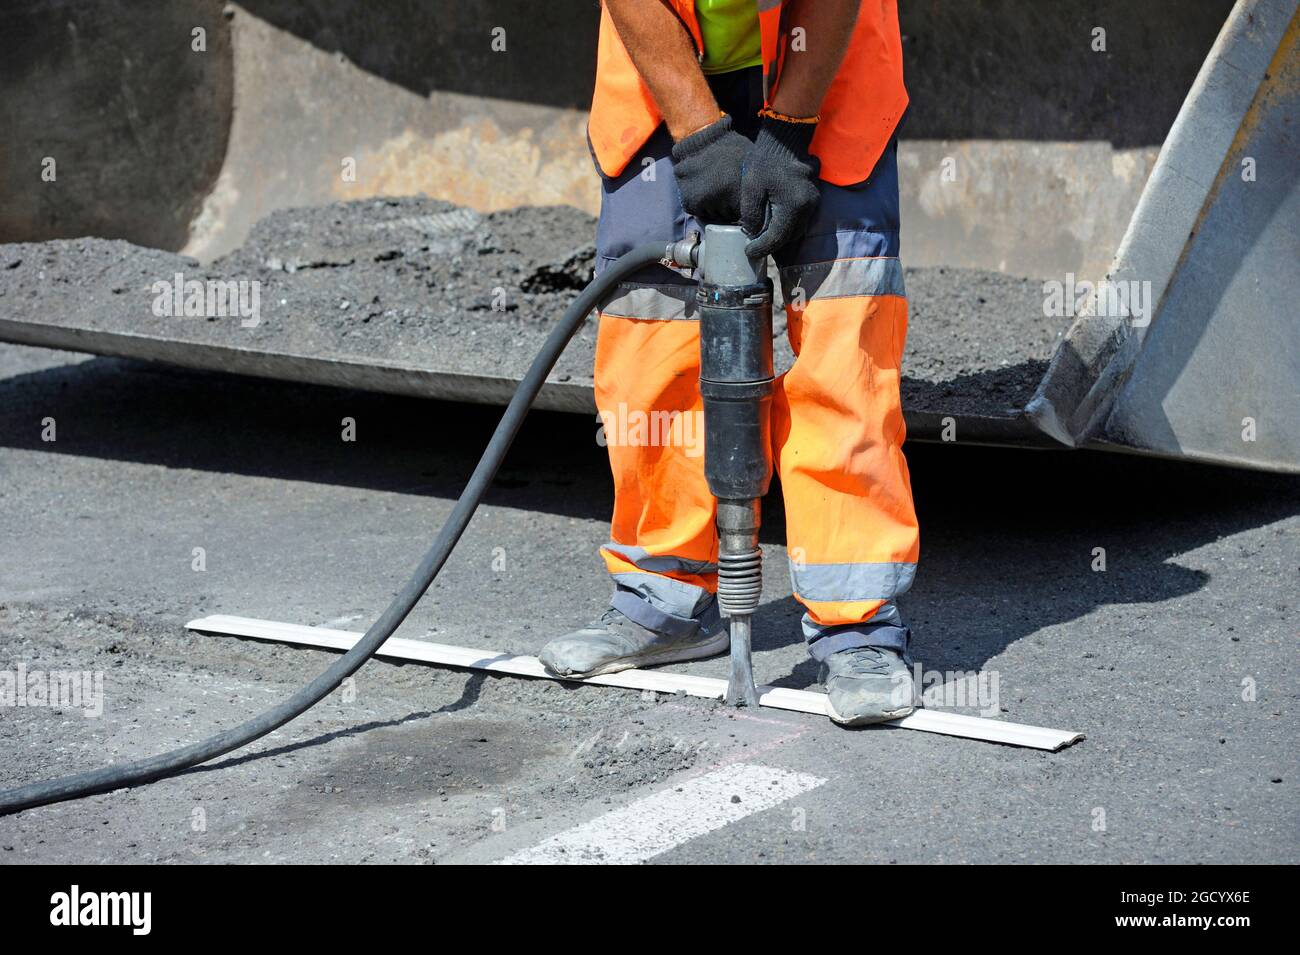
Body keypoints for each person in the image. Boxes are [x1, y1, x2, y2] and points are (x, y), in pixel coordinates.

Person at [539, 0, 919, 726]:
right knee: (651, 324)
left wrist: (789, 130)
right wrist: (697, 131)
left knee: (842, 329)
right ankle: (664, 596)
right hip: (661, 66)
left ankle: (858, 623)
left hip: (828, 60)